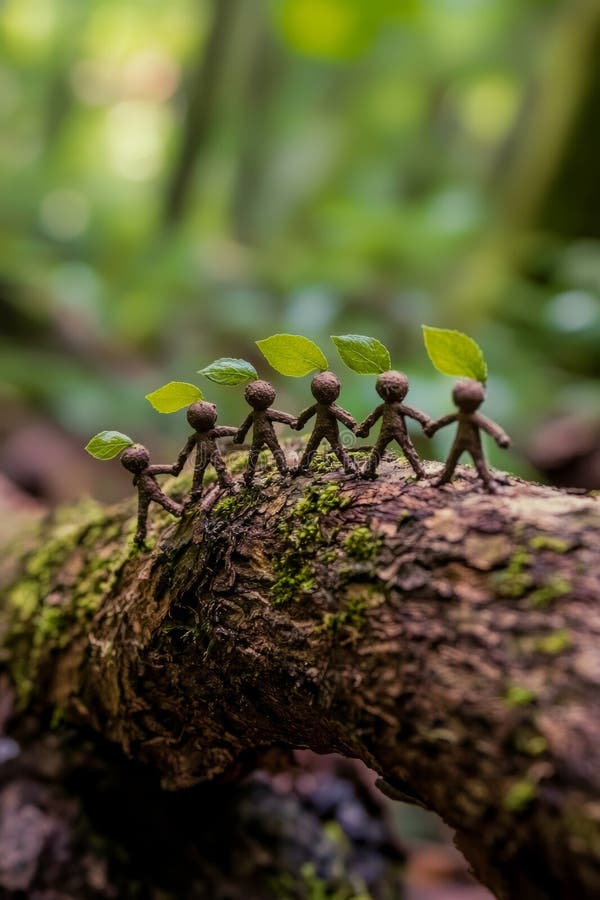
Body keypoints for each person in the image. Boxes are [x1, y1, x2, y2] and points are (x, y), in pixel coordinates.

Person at [425, 380, 511, 493]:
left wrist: (500, 436)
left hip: (472, 442)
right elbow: (444, 421)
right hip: (460, 441)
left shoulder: (472, 417)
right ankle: (444, 479)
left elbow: (489, 426)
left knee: (478, 463)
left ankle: (489, 483)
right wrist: (433, 427)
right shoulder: (462, 415)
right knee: (452, 461)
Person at [356, 370, 430, 479]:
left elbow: (372, 418)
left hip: (392, 431)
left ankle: (419, 472)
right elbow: (372, 418)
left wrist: (364, 428)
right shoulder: (387, 407)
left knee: (383, 449)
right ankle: (419, 471)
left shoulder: (389, 407)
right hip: (394, 431)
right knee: (402, 449)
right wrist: (425, 421)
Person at [292, 371, 357, 475]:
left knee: (320, 447)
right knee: (329, 447)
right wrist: (354, 428)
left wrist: (299, 423)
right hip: (321, 430)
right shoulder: (325, 407)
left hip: (324, 430)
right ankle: (348, 466)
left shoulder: (324, 407)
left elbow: (343, 416)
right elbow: (345, 417)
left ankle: (348, 466)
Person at [172, 401, 237, 503]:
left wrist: (179, 465)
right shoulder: (212, 432)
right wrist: (241, 432)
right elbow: (231, 431)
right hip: (213, 453)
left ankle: (196, 492)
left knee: (198, 473)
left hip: (200, 457)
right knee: (219, 468)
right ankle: (227, 484)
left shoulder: (195, 437)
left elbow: (184, 452)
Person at [234, 380, 297, 486]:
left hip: (266, 435)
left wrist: (292, 420)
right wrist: (293, 421)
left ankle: (282, 468)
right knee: (264, 452)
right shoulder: (254, 415)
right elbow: (245, 426)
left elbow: (281, 416)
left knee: (269, 451)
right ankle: (250, 474)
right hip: (262, 436)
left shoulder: (259, 414)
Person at [120, 444, 182, 545]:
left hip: (145, 492)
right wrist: (173, 469)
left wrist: (172, 469)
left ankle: (141, 533)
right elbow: (166, 469)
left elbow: (163, 469)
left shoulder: (142, 473)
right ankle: (177, 510)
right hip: (151, 490)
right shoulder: (148, 470)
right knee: (161, 501)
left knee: (142, 512)